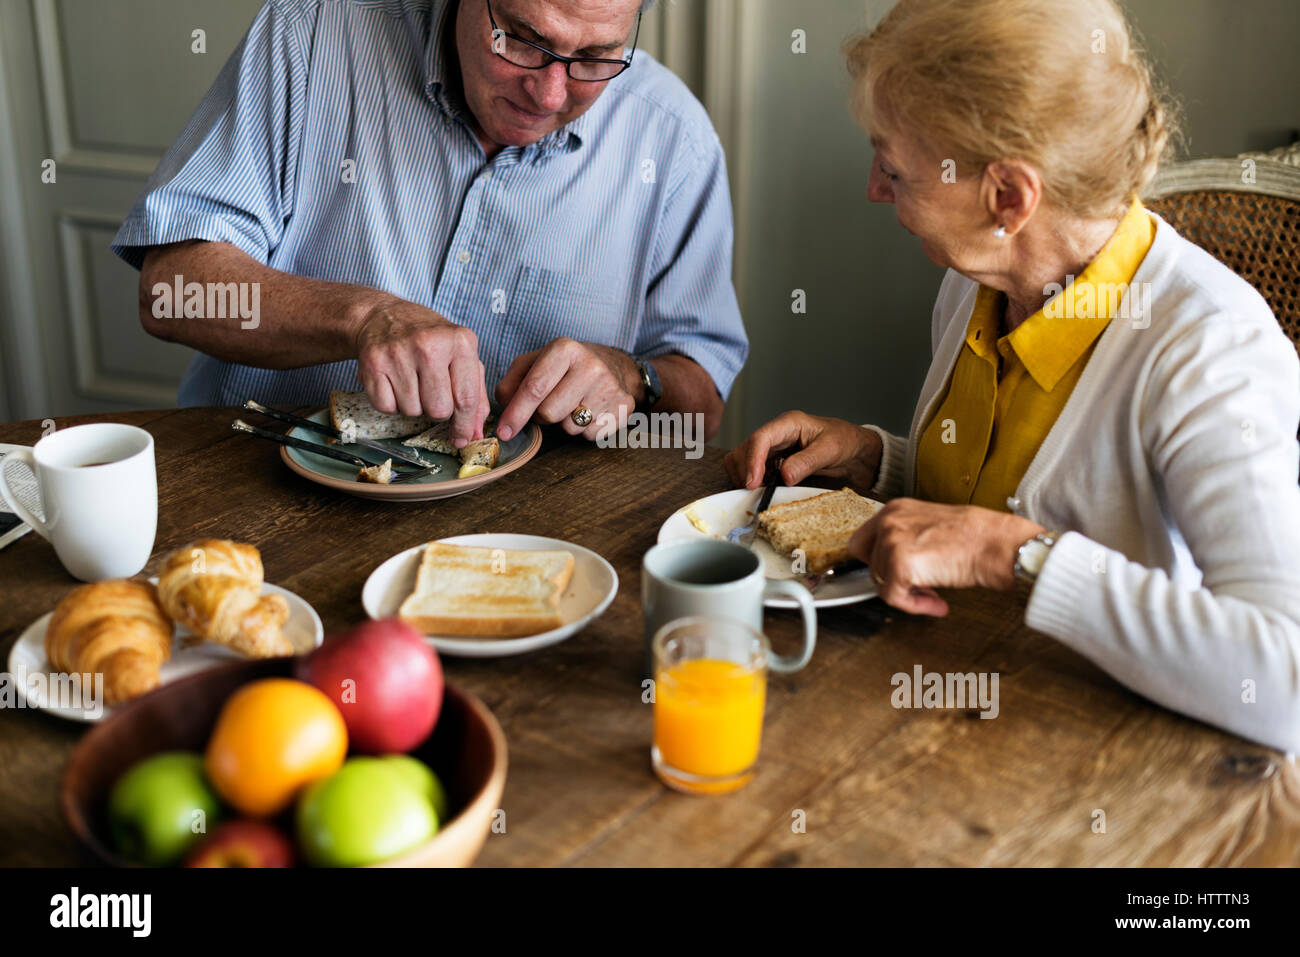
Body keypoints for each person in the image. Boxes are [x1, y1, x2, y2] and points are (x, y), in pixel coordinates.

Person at [725, 0, 1300, 753]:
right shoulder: (980, 276)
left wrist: (1016, 553)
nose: (873, 186)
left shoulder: (1208, 348)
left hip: (1115, 770)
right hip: (943, 713)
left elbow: (1283, 679)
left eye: (893, 166)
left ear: (1008, 197)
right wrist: (878, 458)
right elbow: (995, 498)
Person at [112, 0, 747, 447]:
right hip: (260, 484)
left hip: (522, 533)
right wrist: (362, 318)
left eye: (597, 57)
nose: (551, 95)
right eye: (523, 39)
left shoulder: (672, 139)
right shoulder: (310, 35)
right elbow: (170, 293)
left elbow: (703, 406)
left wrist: (633, 377)